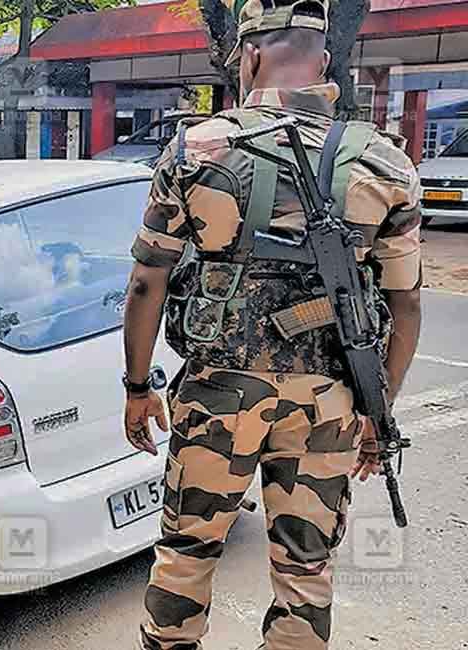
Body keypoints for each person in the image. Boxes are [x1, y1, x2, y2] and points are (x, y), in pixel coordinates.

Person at [122, 1, 423, 649]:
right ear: (324, 61)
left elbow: (147, 281)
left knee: (185, 555)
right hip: (330, 403)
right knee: (306, 573)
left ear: (251, 55)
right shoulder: (386, 161)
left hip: (218, 396)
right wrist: (378, 410)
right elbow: (406, 308)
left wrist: (137, 386)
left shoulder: (197, 147)